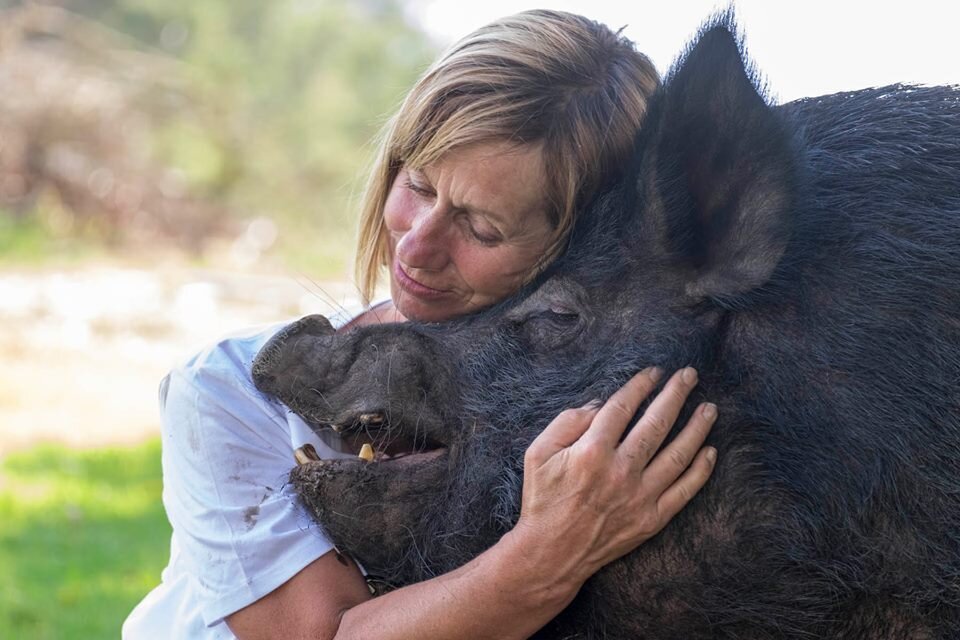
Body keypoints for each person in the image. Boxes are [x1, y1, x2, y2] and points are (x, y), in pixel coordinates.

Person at [123, 9, 718, 640]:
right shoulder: (229, 391)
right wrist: (551, 554)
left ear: (577, 250)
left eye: (481, 228)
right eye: (419, 186)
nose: (415, 247)